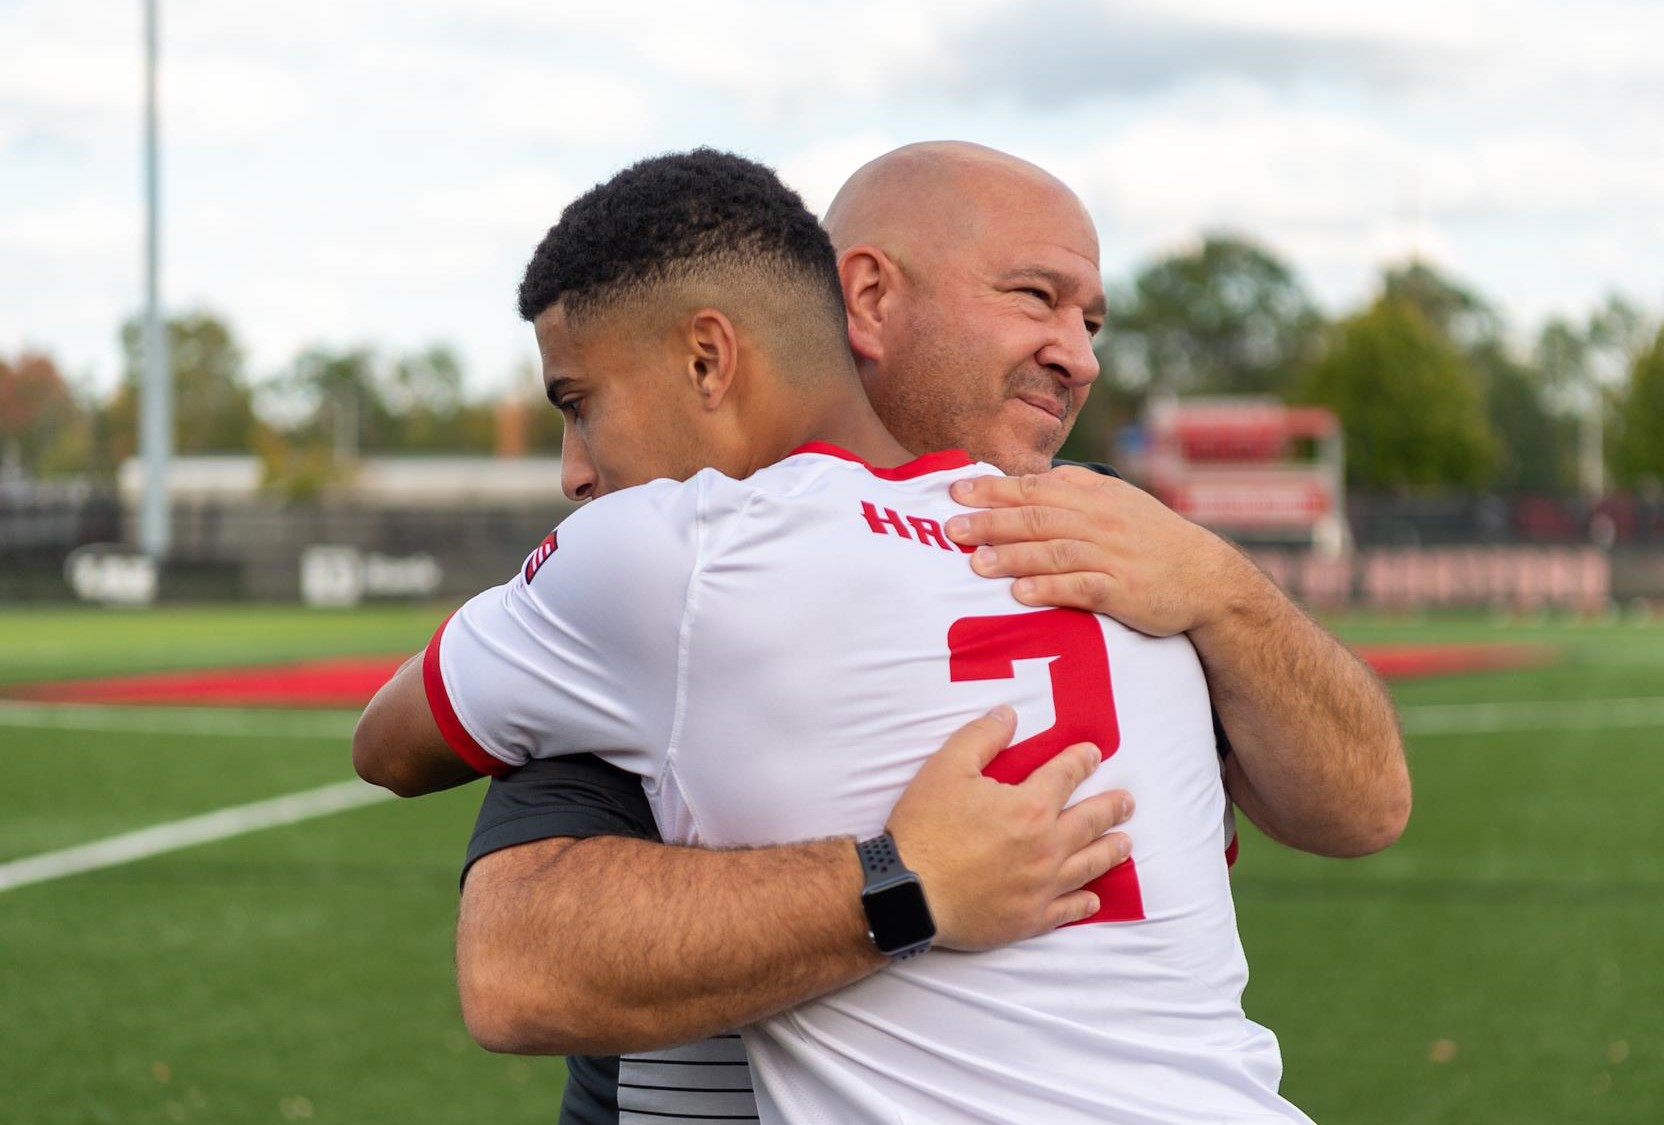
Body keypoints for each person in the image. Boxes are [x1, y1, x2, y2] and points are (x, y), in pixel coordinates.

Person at [355, 141, 1406, 1123]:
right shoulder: (704, 546)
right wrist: (900, 881)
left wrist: (1226, 590)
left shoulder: (1120, 553)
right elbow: (525, 966)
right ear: (863, 296)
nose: (1079, 358)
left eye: (1092, 321)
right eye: (1036, 297)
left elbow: (1364, 809)